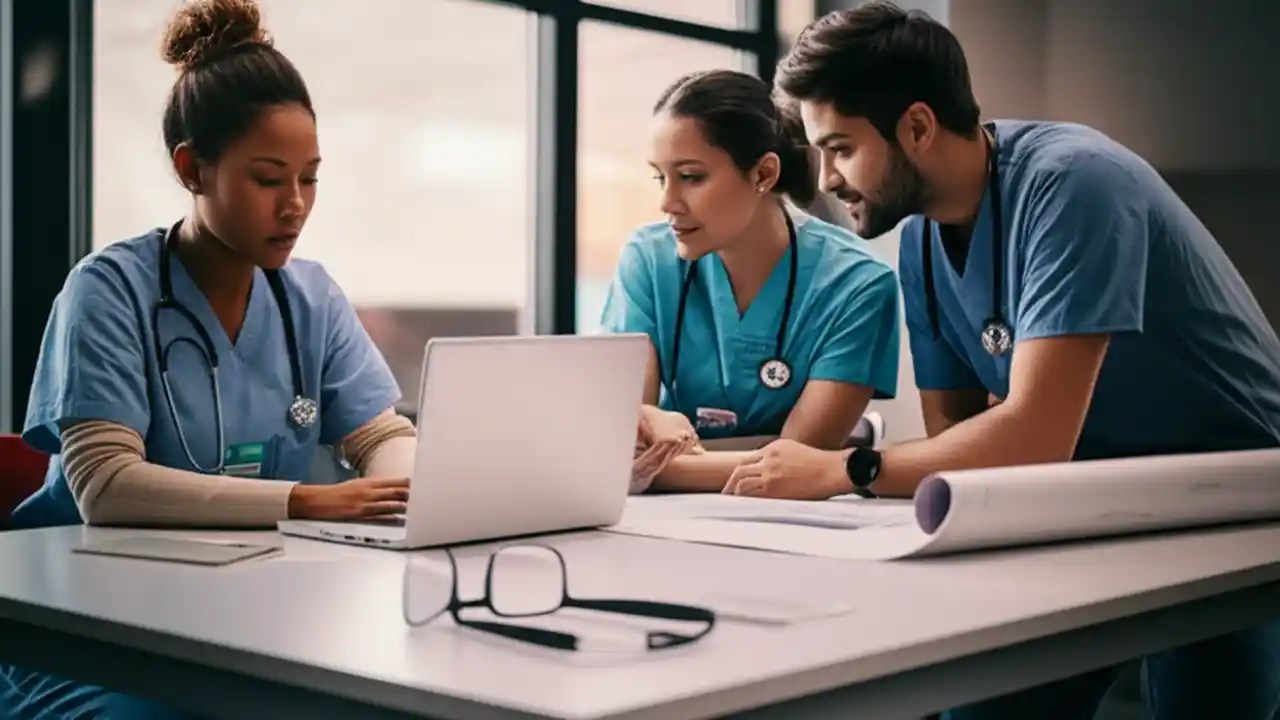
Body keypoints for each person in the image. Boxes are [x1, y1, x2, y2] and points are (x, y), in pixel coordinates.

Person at [739, 2, 1280, 718]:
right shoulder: (920, 244)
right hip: (1084, 499)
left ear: (918, 127)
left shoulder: (1075, 182)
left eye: (839, 148)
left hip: (1236, 501)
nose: (828, 177)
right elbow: (958, 449)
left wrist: (845, 469)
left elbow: (1032, 436)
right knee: (983, 700)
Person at [2, 0, 415, 715]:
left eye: (310, 178)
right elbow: (106, 485)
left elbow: (381, 434)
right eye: (268, 179)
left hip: (242, 620)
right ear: (192, 169)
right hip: (82, 632)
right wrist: (308, 502)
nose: (295, 205)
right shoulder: (108, 291)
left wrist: (403, 495)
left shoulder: (310, 297)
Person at [600, 69, 900, 495]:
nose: (667, 202)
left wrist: (650, 465)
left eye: (691, 176)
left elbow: (793, 468)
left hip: (785, 520)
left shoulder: (858, 285)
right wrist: (636, 434)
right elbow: (613, 438)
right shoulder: (648, 259)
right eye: (660, 178)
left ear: (763, 174)